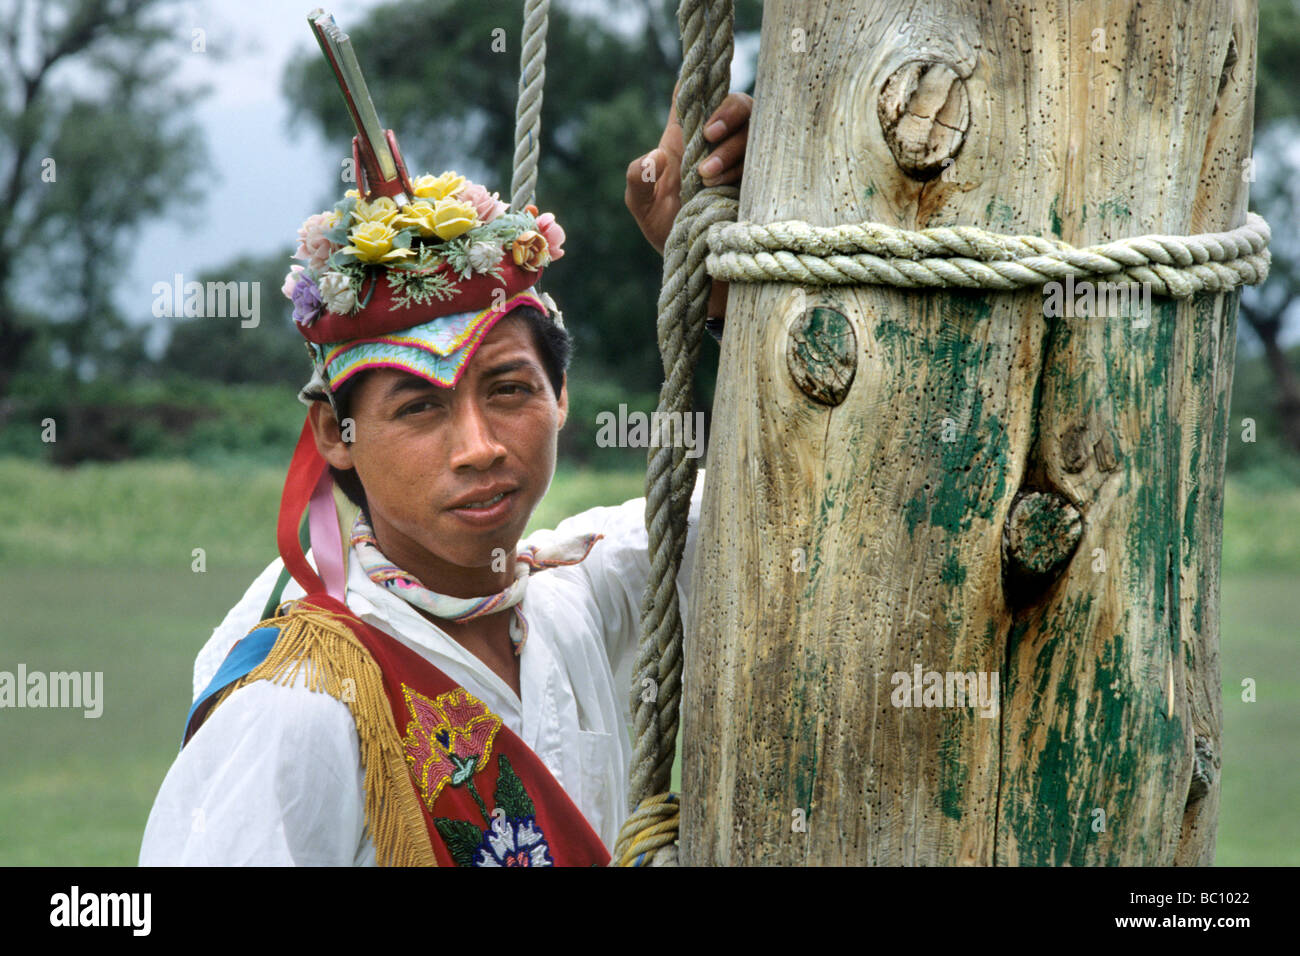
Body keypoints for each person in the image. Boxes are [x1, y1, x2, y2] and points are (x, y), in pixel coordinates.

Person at [139, 14, 752, 867]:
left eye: (508, 390)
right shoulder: (298, 701)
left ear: (562, 394)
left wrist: (727, 288)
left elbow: (780, 509)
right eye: (418, 409)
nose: (478, 447)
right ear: (335, 432)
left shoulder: (587, 600)